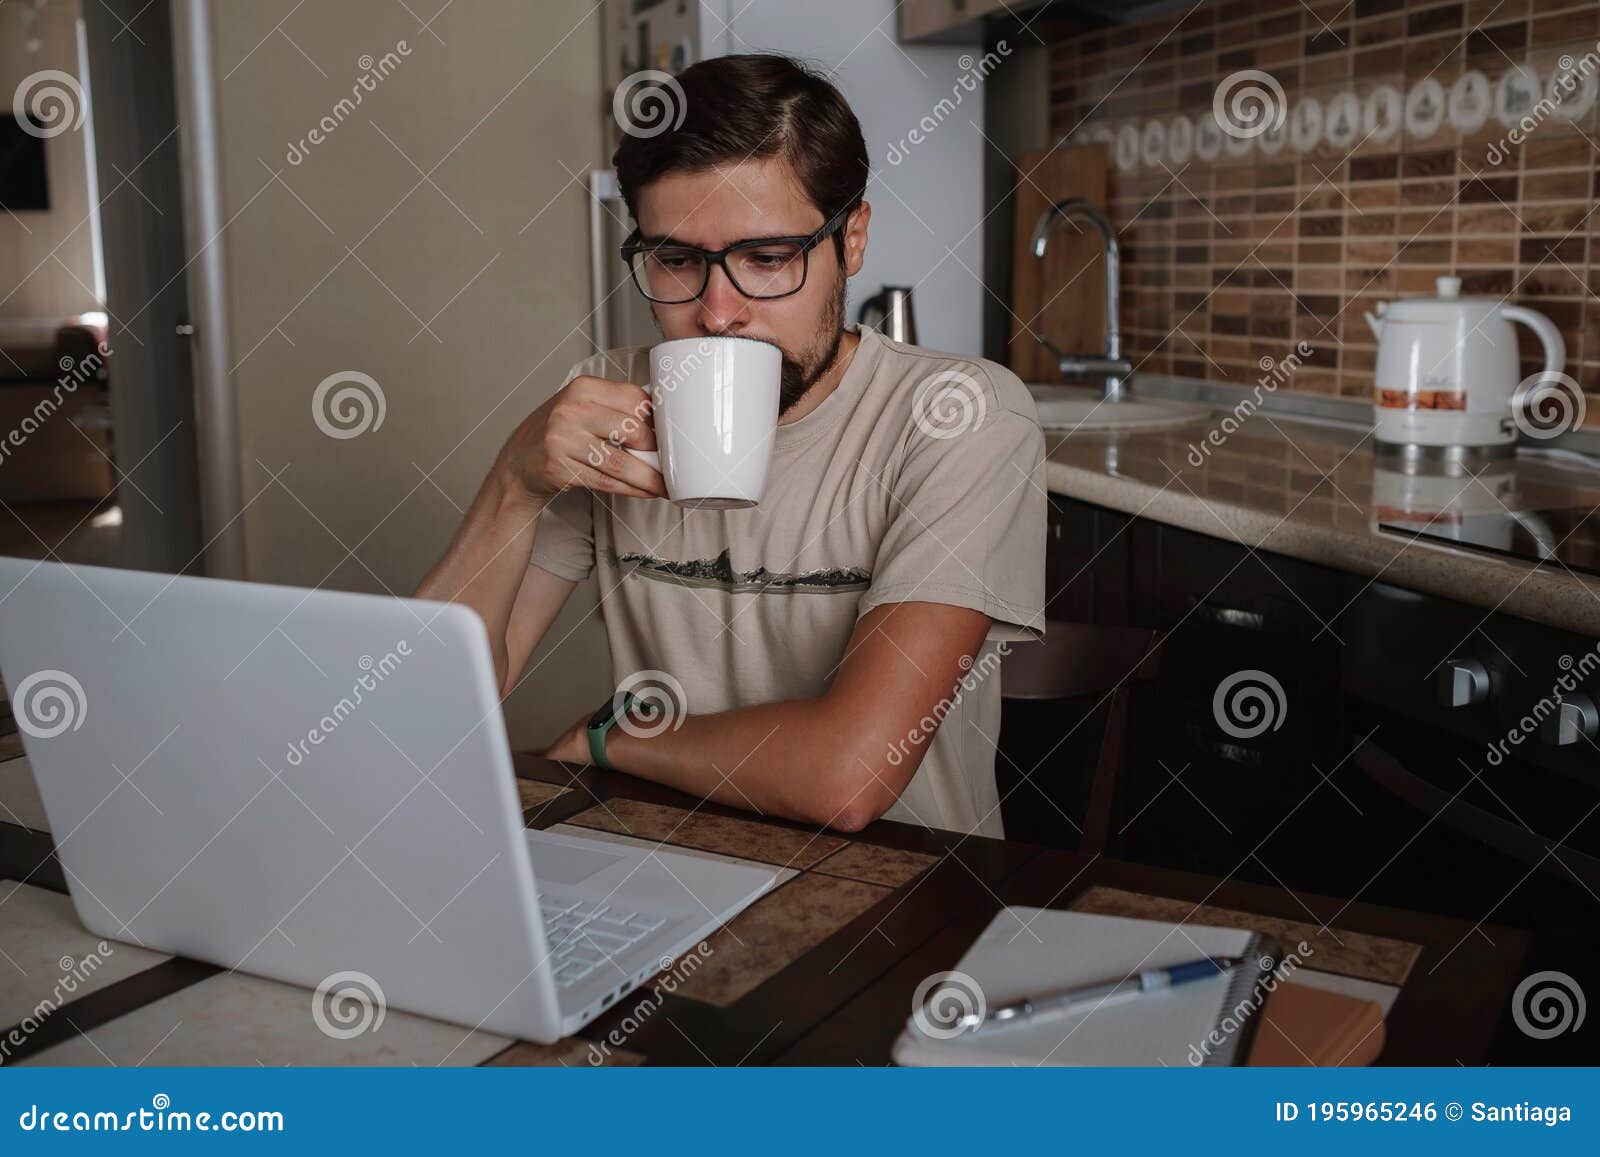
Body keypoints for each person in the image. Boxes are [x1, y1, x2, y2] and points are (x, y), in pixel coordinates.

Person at [417, 53, 1044, 836]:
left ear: (852, 240)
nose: (718, 312)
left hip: (899, 893)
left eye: (767, 258)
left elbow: (849, 777)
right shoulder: (609, 400)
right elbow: (424, 709)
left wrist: (617, 737)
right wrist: (515, 479)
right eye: (677, 260)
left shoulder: (960, 416)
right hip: (662, 861)